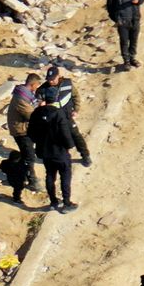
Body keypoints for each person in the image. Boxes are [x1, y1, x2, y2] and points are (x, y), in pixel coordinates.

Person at [27, 84, 90, 212]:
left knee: (50, 176)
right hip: (60, 152)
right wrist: (69, 146)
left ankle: (53, 202)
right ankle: (66, 203)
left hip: (44, 152)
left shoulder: (36, 113)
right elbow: (65, 133)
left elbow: (31, 133)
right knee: (65, 176)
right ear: (56, 98)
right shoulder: (59, 114)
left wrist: (40, 142)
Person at [5, 74, 42, 200]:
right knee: (29, 156)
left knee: (27, 154)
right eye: (37, 85)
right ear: (32, 85)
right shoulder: (21, 99)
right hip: (20, 131)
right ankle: (31, 180)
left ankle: (22, 171)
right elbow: (31, 115)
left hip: (24, 128)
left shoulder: (25, 94)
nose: (37, 88)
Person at [107, 0, 144, 69]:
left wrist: (138, 1)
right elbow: (109, 8)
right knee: (124, 41)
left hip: (135, 19)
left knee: (134, 40)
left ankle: (132, 58)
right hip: (122, 21)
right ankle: (126, 61)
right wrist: (116, 19)